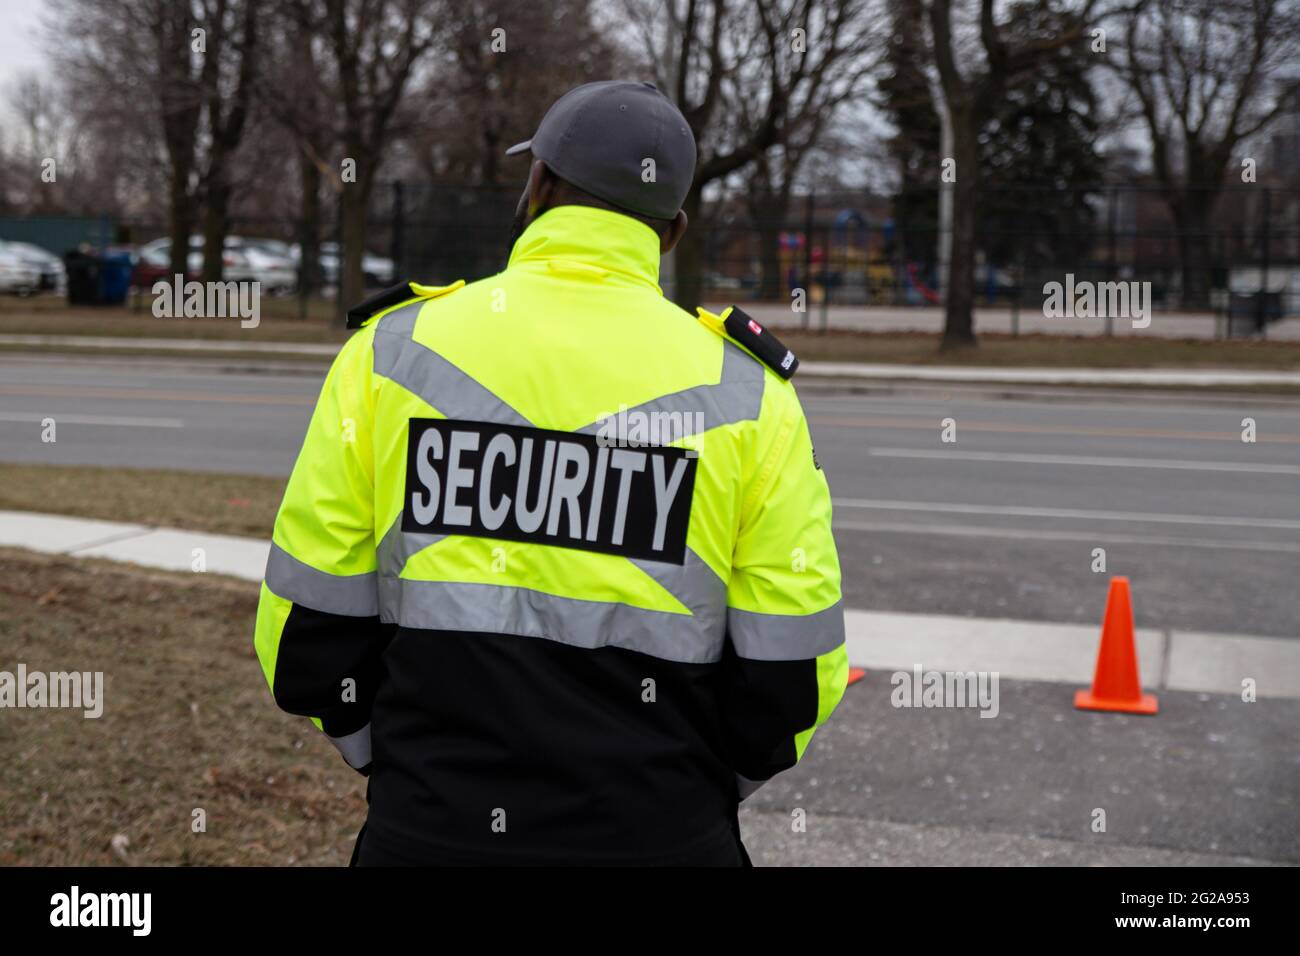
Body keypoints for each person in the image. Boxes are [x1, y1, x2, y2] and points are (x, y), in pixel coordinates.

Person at [253, 80, 847, 866]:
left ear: (536, 186)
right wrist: (691, 792)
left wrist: (392, 762)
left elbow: (304, 634)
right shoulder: (750, 392)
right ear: (671, 231)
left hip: (431, 831)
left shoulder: (391, 353)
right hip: (662, 836)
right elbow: (792, 674)